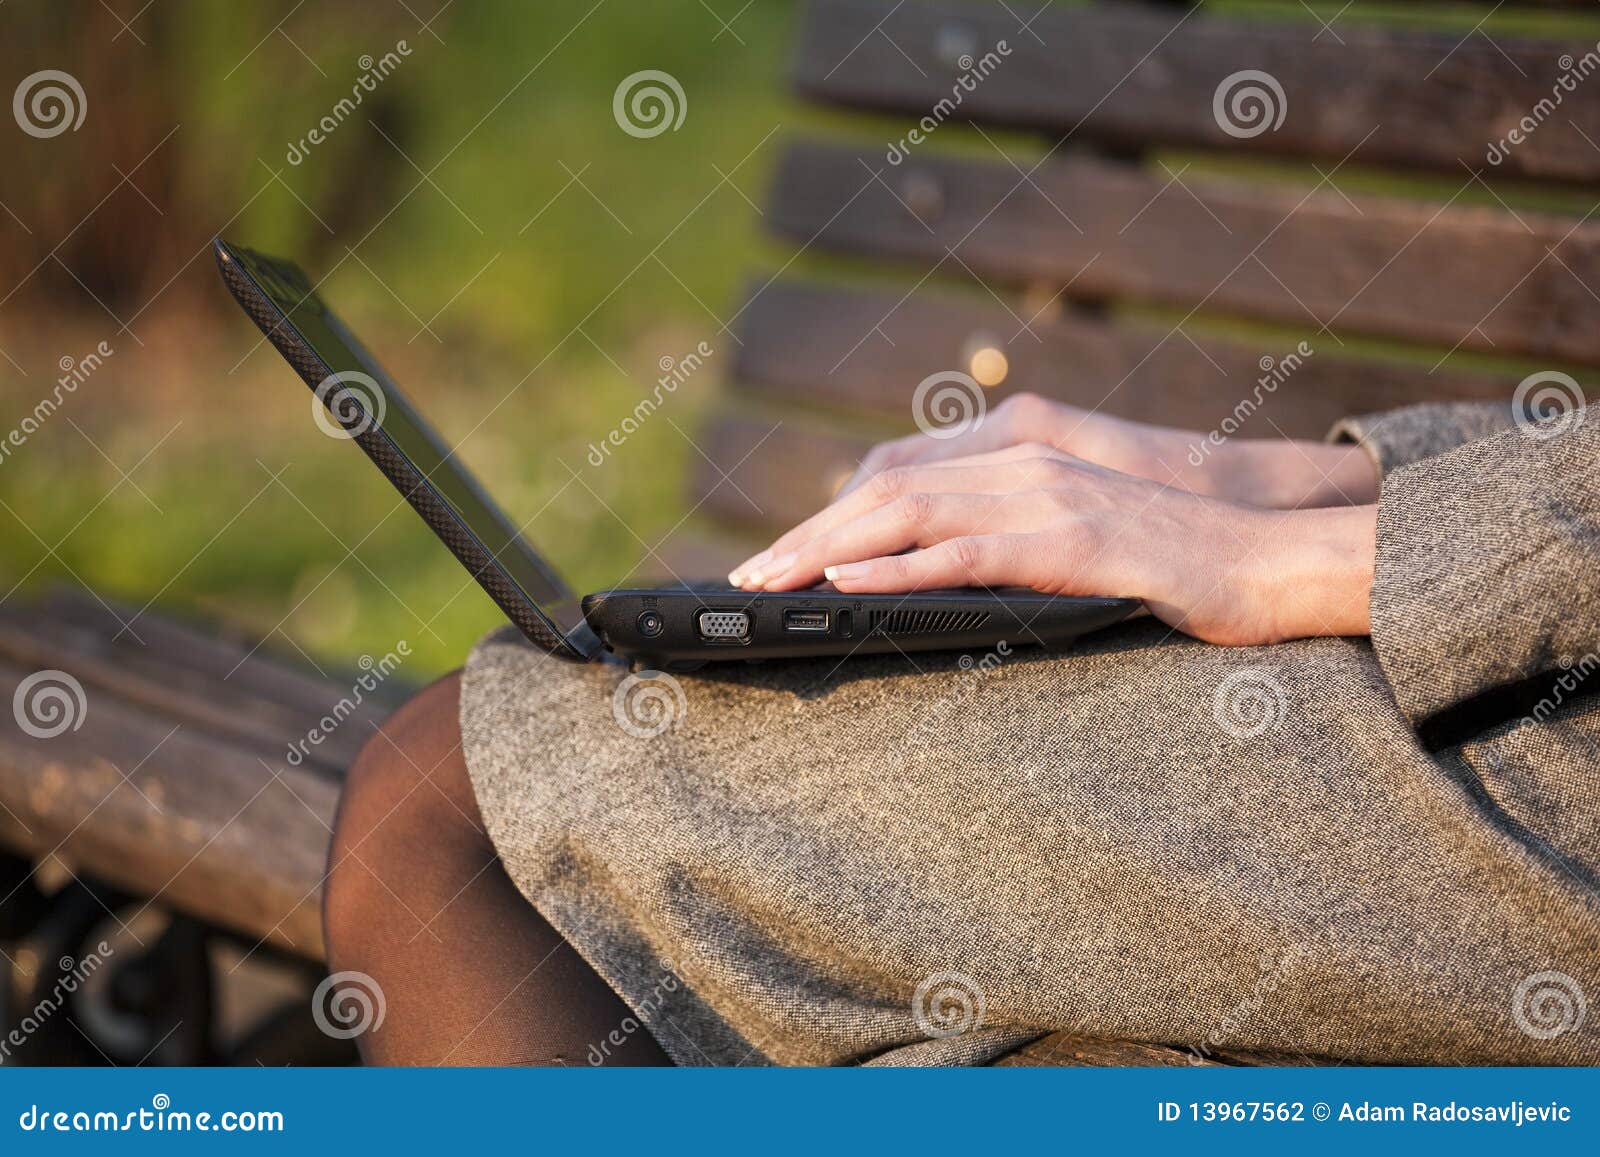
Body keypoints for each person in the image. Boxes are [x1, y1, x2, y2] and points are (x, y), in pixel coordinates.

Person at [323, 393, 1600, 1066]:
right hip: (1498, 624)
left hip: (1536, 756)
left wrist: (1288, 555)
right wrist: (1281, 478)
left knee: (466, 772)